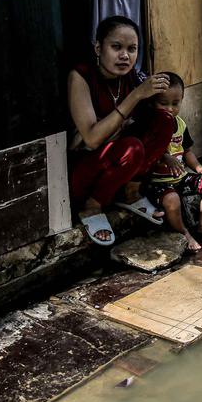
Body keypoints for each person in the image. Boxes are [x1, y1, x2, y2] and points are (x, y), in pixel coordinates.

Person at [68, 17, 175, 245]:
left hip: (118, 166)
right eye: (116, 47)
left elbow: (155, 123)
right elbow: (92, 138)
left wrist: (165, 153)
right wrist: (136, 95)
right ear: (98, 48)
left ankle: (130, 192)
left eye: (131, 49)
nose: (125, 55)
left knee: (165, 120)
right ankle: (92, 206)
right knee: (132, 148)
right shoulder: (81, 76)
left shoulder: (133, 77)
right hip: (85, 171)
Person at [140, 73, 202, 251]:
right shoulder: (151, 126)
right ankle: (183, 231)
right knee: (172, 200)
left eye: (175, 103)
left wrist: (200, 169)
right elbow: (145, 153)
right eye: (163, 104)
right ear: (152, 102)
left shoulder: (180, 124)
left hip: (181, 178)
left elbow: (187, 151)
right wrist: (165, 157)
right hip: (158, 184)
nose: (170, 109)